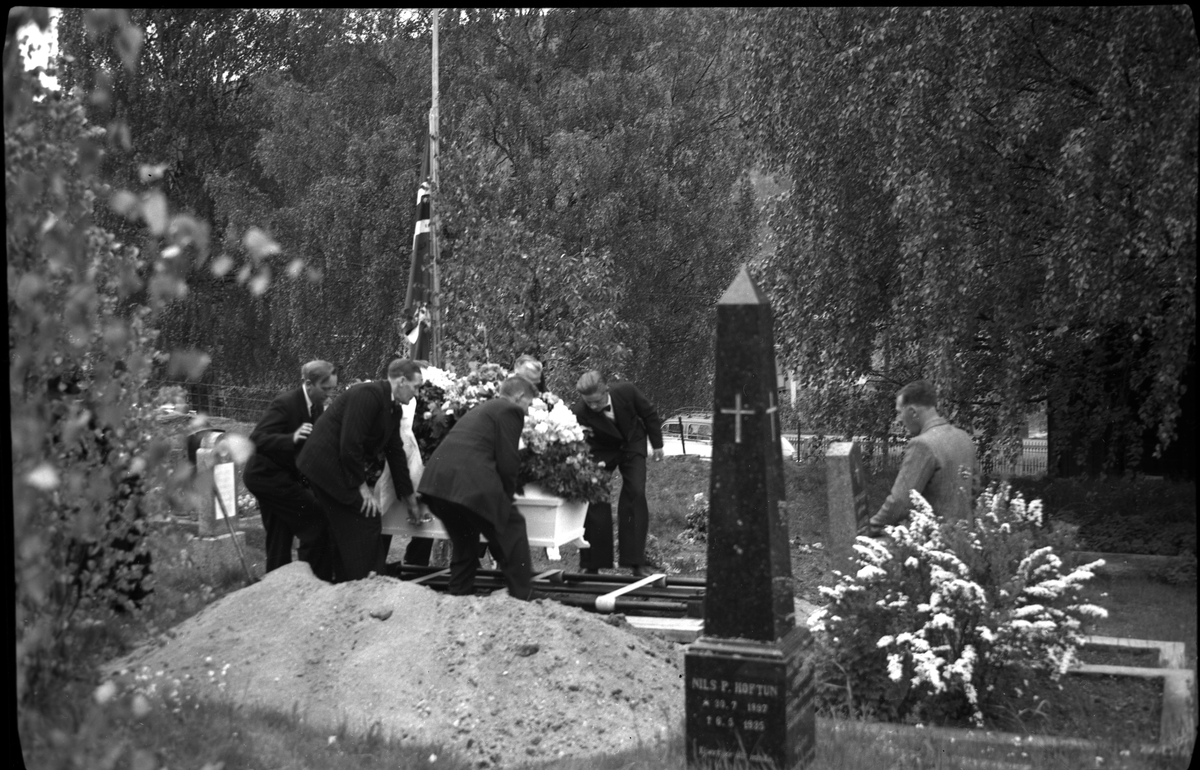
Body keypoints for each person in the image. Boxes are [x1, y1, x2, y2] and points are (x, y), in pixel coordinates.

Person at [297, 359, 422, 582]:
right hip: (324, 463)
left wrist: (411, 499)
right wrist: (362, 489)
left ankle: (348, 580)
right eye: (416, 386)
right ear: (402, 381)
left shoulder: (393, 409)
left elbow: (396, 455)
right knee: (366, 516)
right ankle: (365, 583)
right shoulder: (368, 394)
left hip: (336, 465)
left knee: (348, 523)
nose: (417, 394)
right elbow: (349, 445)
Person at [417, 375, 540, 599]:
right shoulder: (509, 410)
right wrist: (507, 496)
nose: (527, 410)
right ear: (520, 396)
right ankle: (523, 596)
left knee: (465, 541)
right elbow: (508, 460)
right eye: (528, 403)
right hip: (469, 484)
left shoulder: (485, 408)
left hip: (437, 485)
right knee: (513, 528)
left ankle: (459, 596)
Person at [243, 360, 338, 580]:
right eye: (325, 389)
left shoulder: (316, 407)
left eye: (332, 388)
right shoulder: (285, 403)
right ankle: (314, 583)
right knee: (316, 518)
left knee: (279, 535)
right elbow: (256, 439)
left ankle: (278, 590)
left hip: (282, 477)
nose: (329, 394)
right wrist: (291, 438)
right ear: (308, 384)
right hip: (266, 477)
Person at [571, 371, 664, 577]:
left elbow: (648, 414)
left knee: (636, 493)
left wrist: (657, 445)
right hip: (601, 450)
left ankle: (635, 562)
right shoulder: (579, 411)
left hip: (632, 443)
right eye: (589, 403)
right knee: (595, 497)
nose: (594, 407)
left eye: (597, 401)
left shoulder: (627, 391)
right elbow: (580, 441)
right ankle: (592, 563)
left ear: (606, 390)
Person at [861, 379, 979, 537]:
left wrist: (868, 530)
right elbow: (976, 490)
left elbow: (900, 502)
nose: (898, 419)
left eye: (899, 412)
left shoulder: (922, 445)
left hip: (935, 545)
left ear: (913, 412)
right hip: (966, 542)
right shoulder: (964, 438)